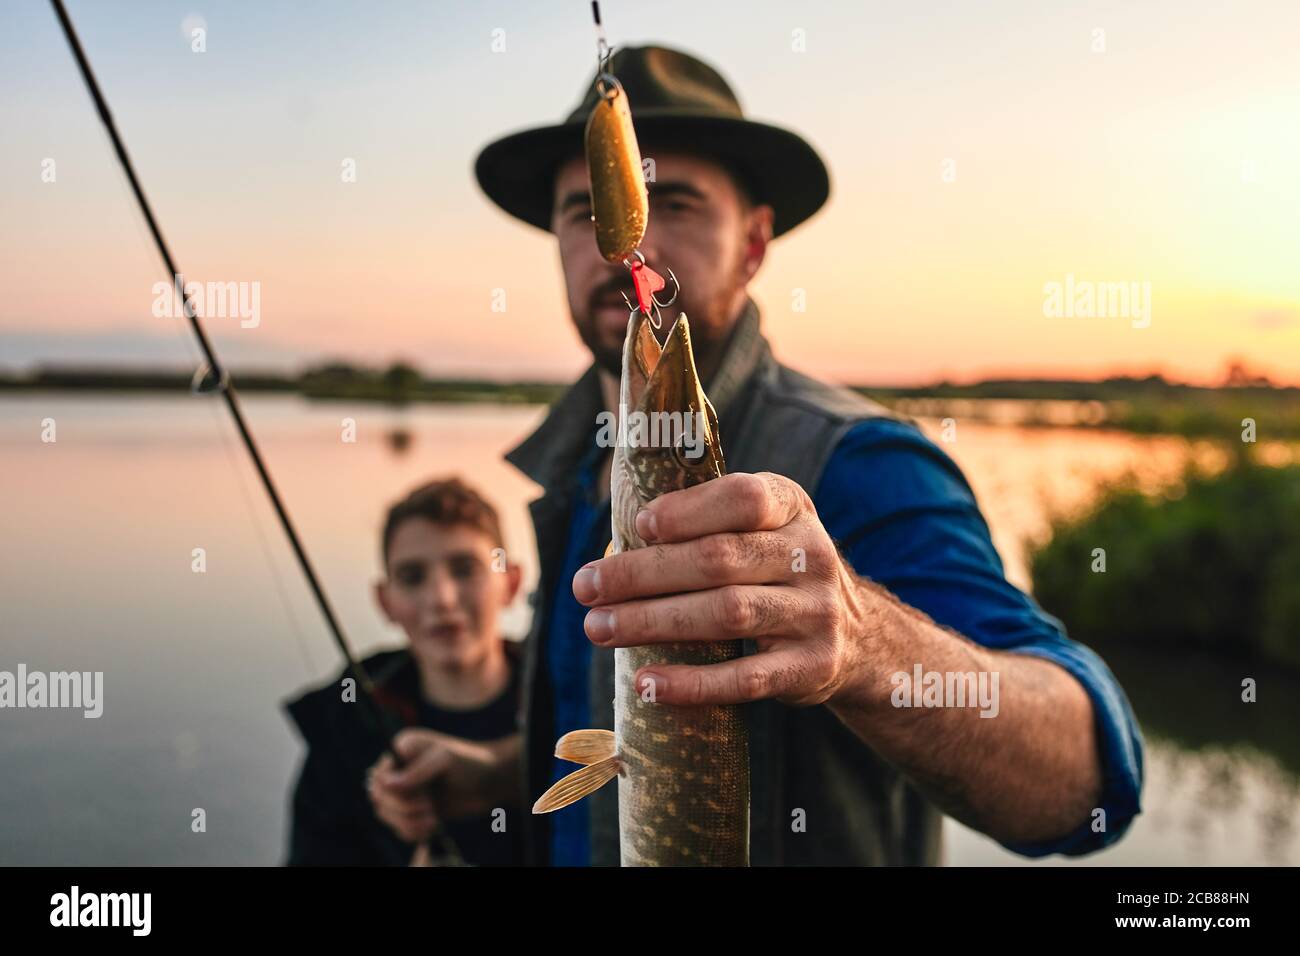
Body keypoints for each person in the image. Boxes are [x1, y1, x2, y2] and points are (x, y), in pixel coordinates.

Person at [373, 46, 1144, 865]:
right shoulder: (572, 467)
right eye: (584, 210)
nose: (628, 250)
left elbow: (1090, 779)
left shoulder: (860, 461)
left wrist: (861, 642)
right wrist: (501, 773)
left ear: (753, 243)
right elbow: (639, 734)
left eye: (677, 203)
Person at [284, 477, 525, 866]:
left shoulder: (580, 698)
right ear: (385, 600)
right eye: (412, 577)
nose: (441, 598)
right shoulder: (341, 726)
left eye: (465, 568)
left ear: (511, 583)